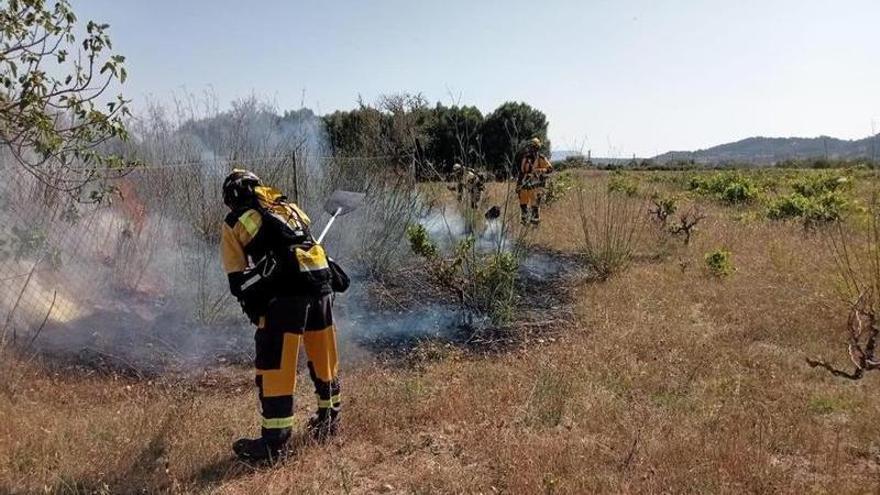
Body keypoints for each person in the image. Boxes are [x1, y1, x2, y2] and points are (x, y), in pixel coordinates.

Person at [220, 168, 341, 462]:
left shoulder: (234, 221)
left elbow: (237, 280)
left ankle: (273, 445)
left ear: (231, 197)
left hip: (286, 296)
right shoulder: (288, 207)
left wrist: (255, 303)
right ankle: (329, 422)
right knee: (324, 357)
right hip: (320, 285)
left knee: (276, 365)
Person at [516, 137, 553, 225]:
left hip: (536, 186)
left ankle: (535, 226)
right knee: (523, 206)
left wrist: (539, 171)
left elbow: (550, 169)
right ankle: (524, 225)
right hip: (525, 184)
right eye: (530, 147)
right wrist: (518, 185)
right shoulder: (525, 158)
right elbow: (521, 172)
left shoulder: (541, 158)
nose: (531, 149)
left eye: (533, 147)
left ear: (537, 148)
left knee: (534, 206)